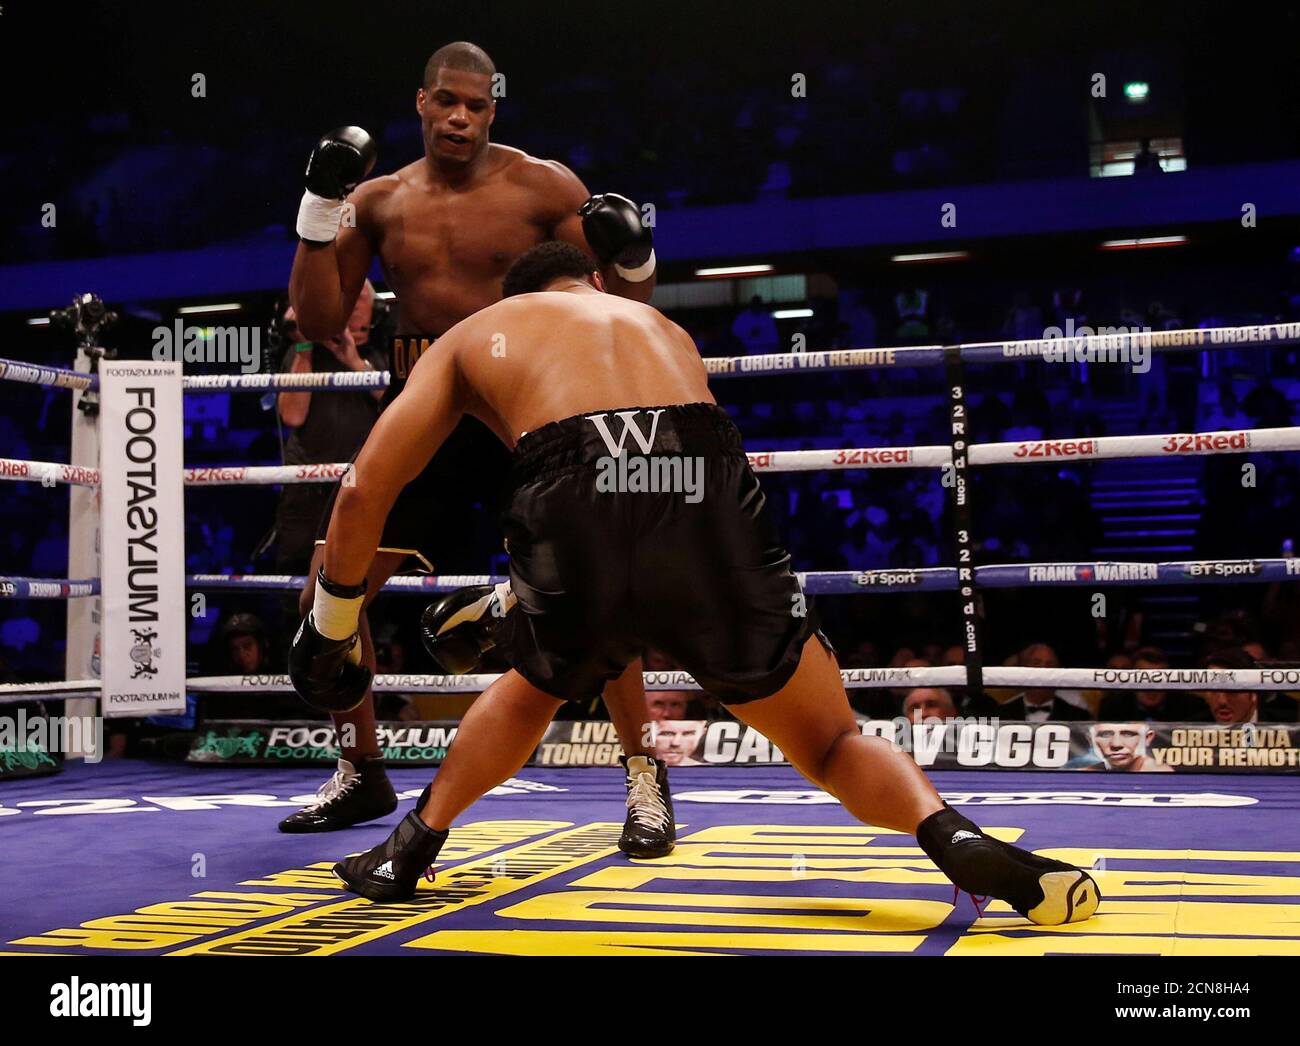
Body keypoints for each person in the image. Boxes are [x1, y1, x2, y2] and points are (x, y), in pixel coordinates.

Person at [289, 241, 1101, 925]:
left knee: (537, 681)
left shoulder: (477, 332)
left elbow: (364, 490)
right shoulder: (658, 323)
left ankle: (407, 852)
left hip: (570, 479)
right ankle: (951, 836)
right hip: (701, 470)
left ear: (518, 297)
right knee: (829, 740)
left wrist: (333, 619)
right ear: (594, 284)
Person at [283, 41, 672, 854]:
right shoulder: (382, 201)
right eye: (446, 102)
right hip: (426, 404)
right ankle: (360, 769)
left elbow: (627, 305)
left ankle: (643, 773)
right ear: (421, 102)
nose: (461, 117)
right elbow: (321, 321)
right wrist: (319, 209)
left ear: (494, 109)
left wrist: (633, 252)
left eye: (478, 105)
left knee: (593, 585)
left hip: (521, 402)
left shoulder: (544, 186)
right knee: (331, 579)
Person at [274, 290, 385, 575]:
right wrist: (304, 346)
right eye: (350, 299)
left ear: (376, 309)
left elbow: (398, 404)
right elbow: (292, 415)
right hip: (309, 482)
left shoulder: (383, 351)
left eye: (362, 300)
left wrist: (354, 363)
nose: (355, 308)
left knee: (364, 569)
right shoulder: (301, 354)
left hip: (364, 482)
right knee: (297, 566)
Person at [1097, 646, 1210, 723]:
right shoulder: (1112, 707)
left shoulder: (1192, 707)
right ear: (1132, 680)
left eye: (1158, 679)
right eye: (1144, 679)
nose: (1151, 688)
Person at [1083, 722, 1173, 773]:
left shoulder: (1160, 773)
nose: (1116, 744)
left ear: (1147, 738)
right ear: (1090, 740)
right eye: (1105, 735)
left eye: (1128, 734)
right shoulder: (1082, 773)